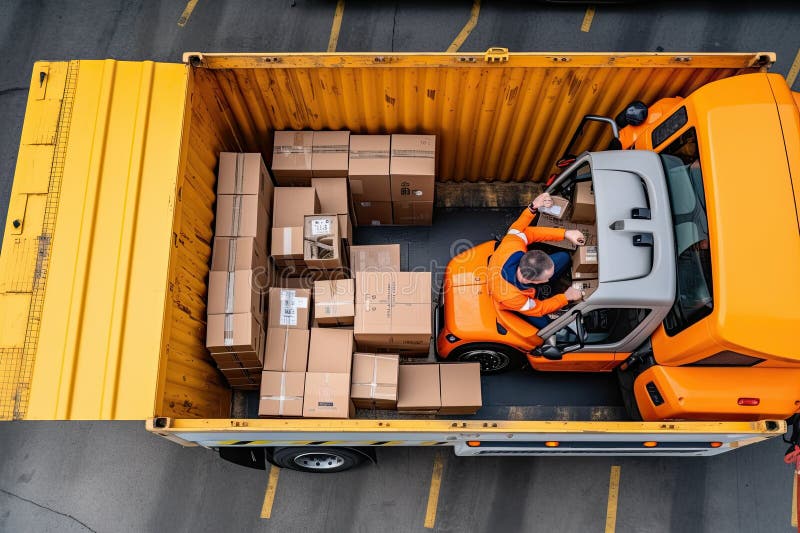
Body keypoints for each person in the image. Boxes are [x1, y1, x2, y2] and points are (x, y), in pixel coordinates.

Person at [488, 192, 586, 329]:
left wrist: (566, 233)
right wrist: (566, 297)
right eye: (546, 278)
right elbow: (540, 308)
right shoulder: (512, 298)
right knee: (546, 325)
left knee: (563, 257)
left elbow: (527, 231)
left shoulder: (513, 245)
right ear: (532, 281)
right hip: (518, 302)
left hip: (522, 284)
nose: (547, 280)